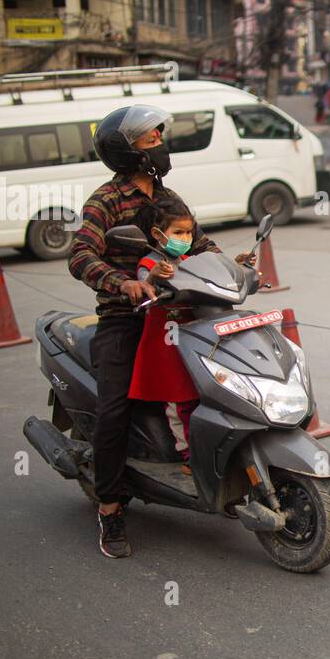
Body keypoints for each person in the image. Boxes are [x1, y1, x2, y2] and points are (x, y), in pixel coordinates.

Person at [68, 104, 226, 559]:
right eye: (151, 140)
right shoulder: (106, 201)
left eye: (160, 137)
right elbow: (80, 256)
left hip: (175, 314)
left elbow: (198, 242)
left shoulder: (167, 194)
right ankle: (111, 508)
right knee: (114, 409)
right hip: (125, 317)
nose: (161, 145)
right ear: (126, 151)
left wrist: (231, 268)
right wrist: (124, 283)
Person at [129, 194, 207, 475]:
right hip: (166, 345)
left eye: (188, 232)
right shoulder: (150, 264)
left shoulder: (188, 258)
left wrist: (237, 263)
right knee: (179, 403)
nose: (185, 237)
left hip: (193, 338)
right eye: (178, 232)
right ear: (157, 234)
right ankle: (188, 455)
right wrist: (153, 278)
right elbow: (142, 285)